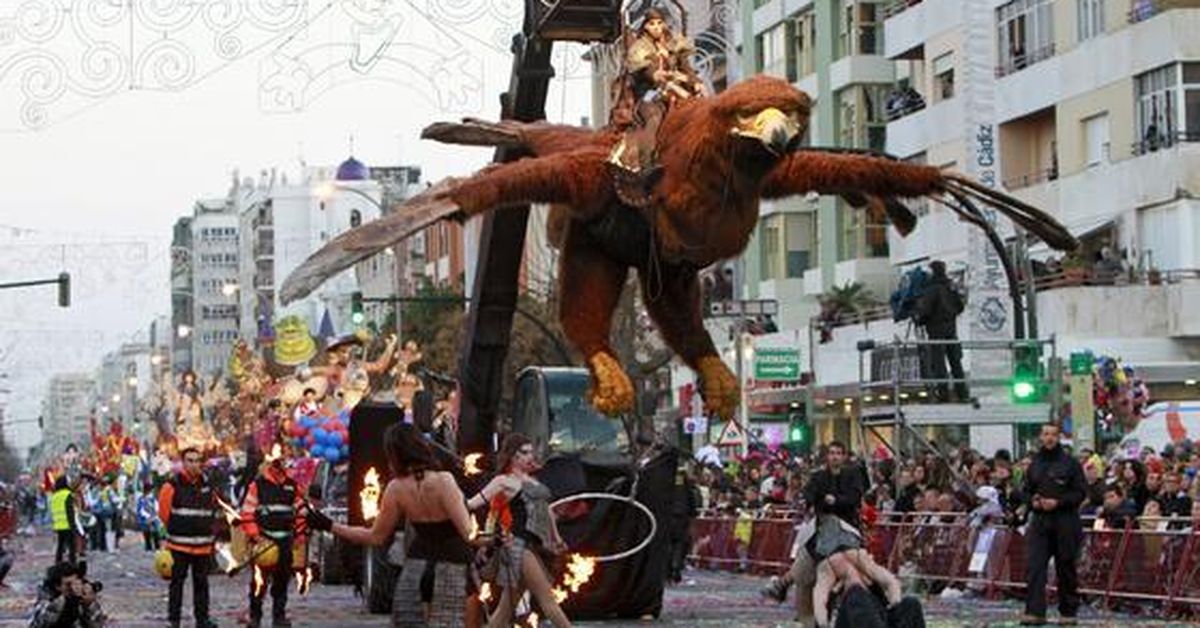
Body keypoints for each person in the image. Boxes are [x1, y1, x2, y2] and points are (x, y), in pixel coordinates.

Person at [308, 423, 477, 627]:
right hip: (454, 566)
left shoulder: (396, 489)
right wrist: (495, 539)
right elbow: (469, 533)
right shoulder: (444, 481)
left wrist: (329, 525)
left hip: (417, 570)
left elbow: (374, 537)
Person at [468, 434, 572, 628]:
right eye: (524, 452)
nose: (529, 456)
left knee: (506, 609)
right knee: (547, 599)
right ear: (512, 456)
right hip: (518, 546)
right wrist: (448, 500)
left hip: (532, 545)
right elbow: (474, 503)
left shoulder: (531, 480)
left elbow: (546, 509)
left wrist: (555, 537)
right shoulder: (503, 481)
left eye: (531, 452)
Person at [607, 7, 706, 197]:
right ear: (645, 27)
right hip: (649, 96)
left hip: (678, 92)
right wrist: (656, 75)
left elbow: (687, 68)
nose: (657, 27)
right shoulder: (640, 47)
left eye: (660, 23)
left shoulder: (674, 44)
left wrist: (696, 83)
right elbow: (644, 72)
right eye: (652, 24)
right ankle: (647, 165)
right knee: (654, 119)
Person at [1021, 423, 1086, 626]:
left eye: (1053, 435)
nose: (1049, 438)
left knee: (1065, 566)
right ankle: (1034, 611)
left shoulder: (1070, 464)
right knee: (1034, 566)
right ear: (1041, 437)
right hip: (1040, 521)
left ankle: (1068, 611)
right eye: (1046, 434)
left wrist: (1058, 502)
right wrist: (1032, 501)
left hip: (1065, 521)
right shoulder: (1034, 464)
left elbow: (1080, 492)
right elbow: (1026, 490)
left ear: (1059, 437)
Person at [240, 447, 305, 628]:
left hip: (284, 542)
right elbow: (247, 513)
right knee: (258, 583)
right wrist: (255, 535)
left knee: (282, 581)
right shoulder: (258, 486)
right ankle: (255, 616)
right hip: (264, 542)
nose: (279, 466)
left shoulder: (292, 486)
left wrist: (299, 534)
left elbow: (302, 512)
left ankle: (279, 617)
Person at [158, 446, 219, 628]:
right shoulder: (171, 485)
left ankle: (202, 619)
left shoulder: (208, 485)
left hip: (202, 546)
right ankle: (174, 620)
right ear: (183, 463)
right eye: (190, 461)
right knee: (177, 584)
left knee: (202, 585)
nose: (194, 464)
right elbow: (164, 514)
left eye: (197, 461)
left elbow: (213, 509)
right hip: (179, 546)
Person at [916, 260, 968, 402]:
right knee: (955, 362)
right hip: (951, 329)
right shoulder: (950, 287)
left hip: (936, 330)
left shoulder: (931, 289)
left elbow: (925, 311)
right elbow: (960, 306)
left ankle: (943, 394)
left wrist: (919, 318)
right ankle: (962, 393)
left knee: (939, 363)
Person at [29, 562, 107, 627]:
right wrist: (63, 599)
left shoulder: (81, 597)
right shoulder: (48, 596)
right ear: (57, 586)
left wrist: (89, 605)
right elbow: (40, 623)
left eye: (75, 583)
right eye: (68, 584)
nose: (73, 588)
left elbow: (97, 625)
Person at [51, 476, 78, 564]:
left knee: (60, 546)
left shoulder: (54, 496)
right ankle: (72, 563)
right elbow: (70, 511)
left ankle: (58, 562)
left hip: (58, 525)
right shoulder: (67, 494)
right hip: (67, 524)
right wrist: (73, 526)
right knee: (72, 547)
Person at [136, 483, 161, 551]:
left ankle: (151, 546)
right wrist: (150, 517)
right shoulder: (144, 499)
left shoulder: (148, 498)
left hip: (150, 518)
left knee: (153, 532)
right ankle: (152, 546)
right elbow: (141, 510)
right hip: (148, 518)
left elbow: (156, 508)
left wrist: (151, 517)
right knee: (150, 532)